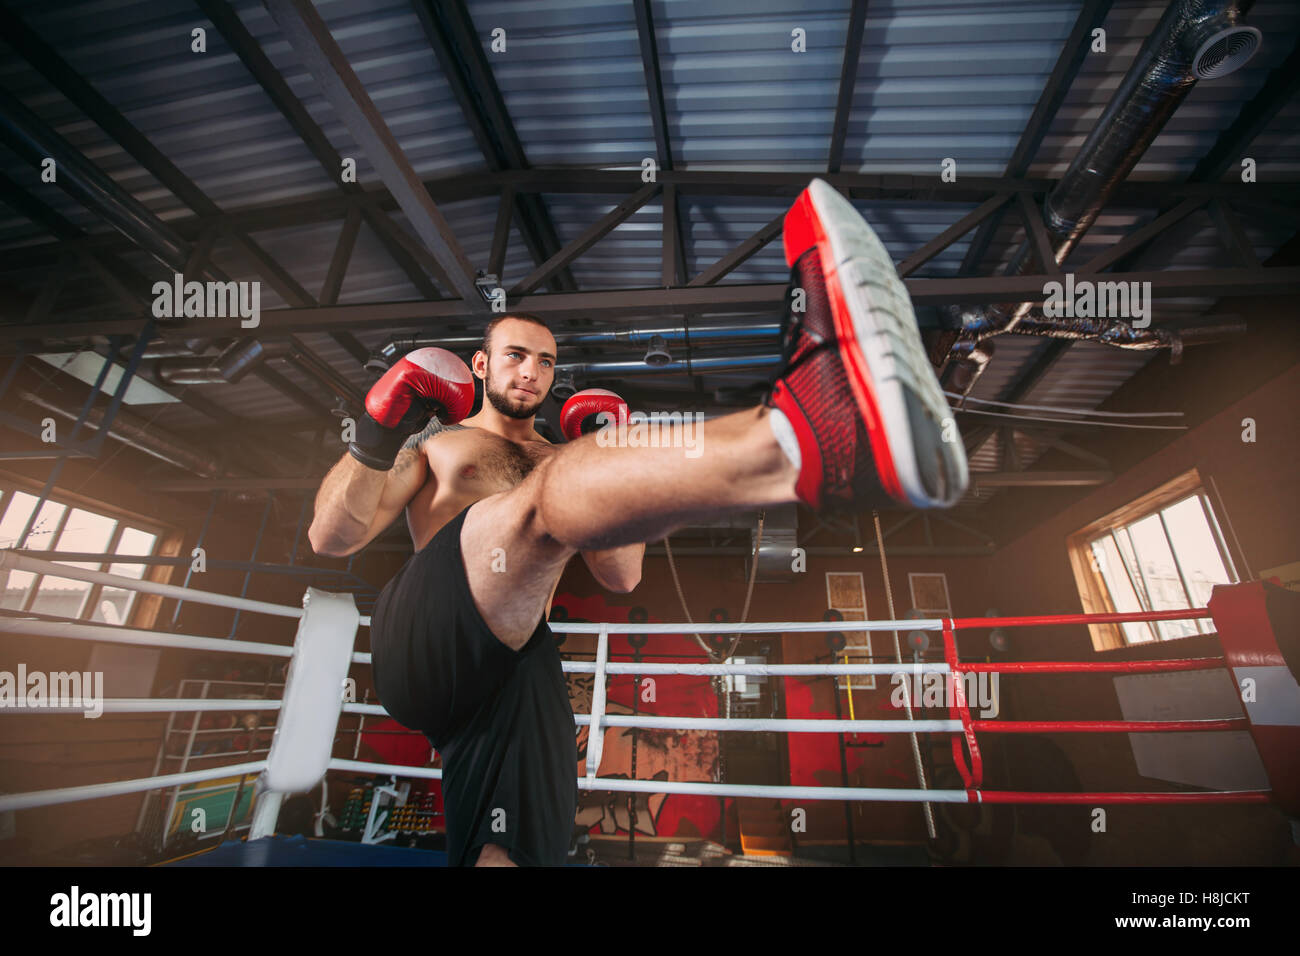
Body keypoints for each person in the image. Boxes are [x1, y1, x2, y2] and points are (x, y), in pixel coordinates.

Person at [307, 178, 969, 866]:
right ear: (479, 364)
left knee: (513, 846)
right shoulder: (436, 443)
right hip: (424, 635)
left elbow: (620, 577)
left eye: (545, 361)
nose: (532, 371)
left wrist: (606, 454)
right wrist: (376, 434)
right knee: (548, 494)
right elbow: (331, 537)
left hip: (514, 664)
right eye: (514, 355)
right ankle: (804, 438)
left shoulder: (565, 460)